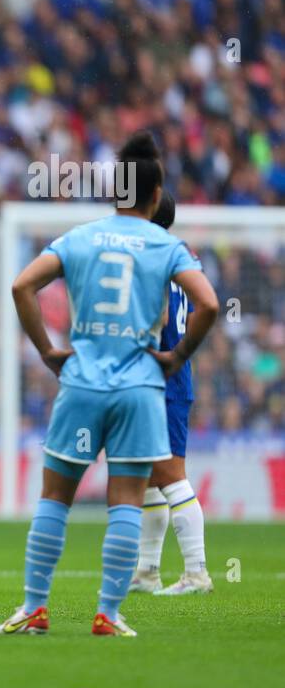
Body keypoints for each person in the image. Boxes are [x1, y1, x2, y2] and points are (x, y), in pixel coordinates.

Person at [0, 132, 218, 637]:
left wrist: (47, 350)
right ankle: (109, 614)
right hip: (140, 388)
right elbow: (207, 302)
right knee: (126, 499)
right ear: (156, 195)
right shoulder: (167, 244)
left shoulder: (82, 237)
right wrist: (176, 356)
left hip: (82, 383)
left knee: (55, 498)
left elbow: (21, 285)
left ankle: (34, 608)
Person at [131, 190, 213, 596]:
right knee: (149, 476)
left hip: (159, 377)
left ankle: (197, 571)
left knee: (169, 476)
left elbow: (159, 314)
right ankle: (147, 571)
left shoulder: (152, 253)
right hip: (174, 374)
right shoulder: (182, 253)